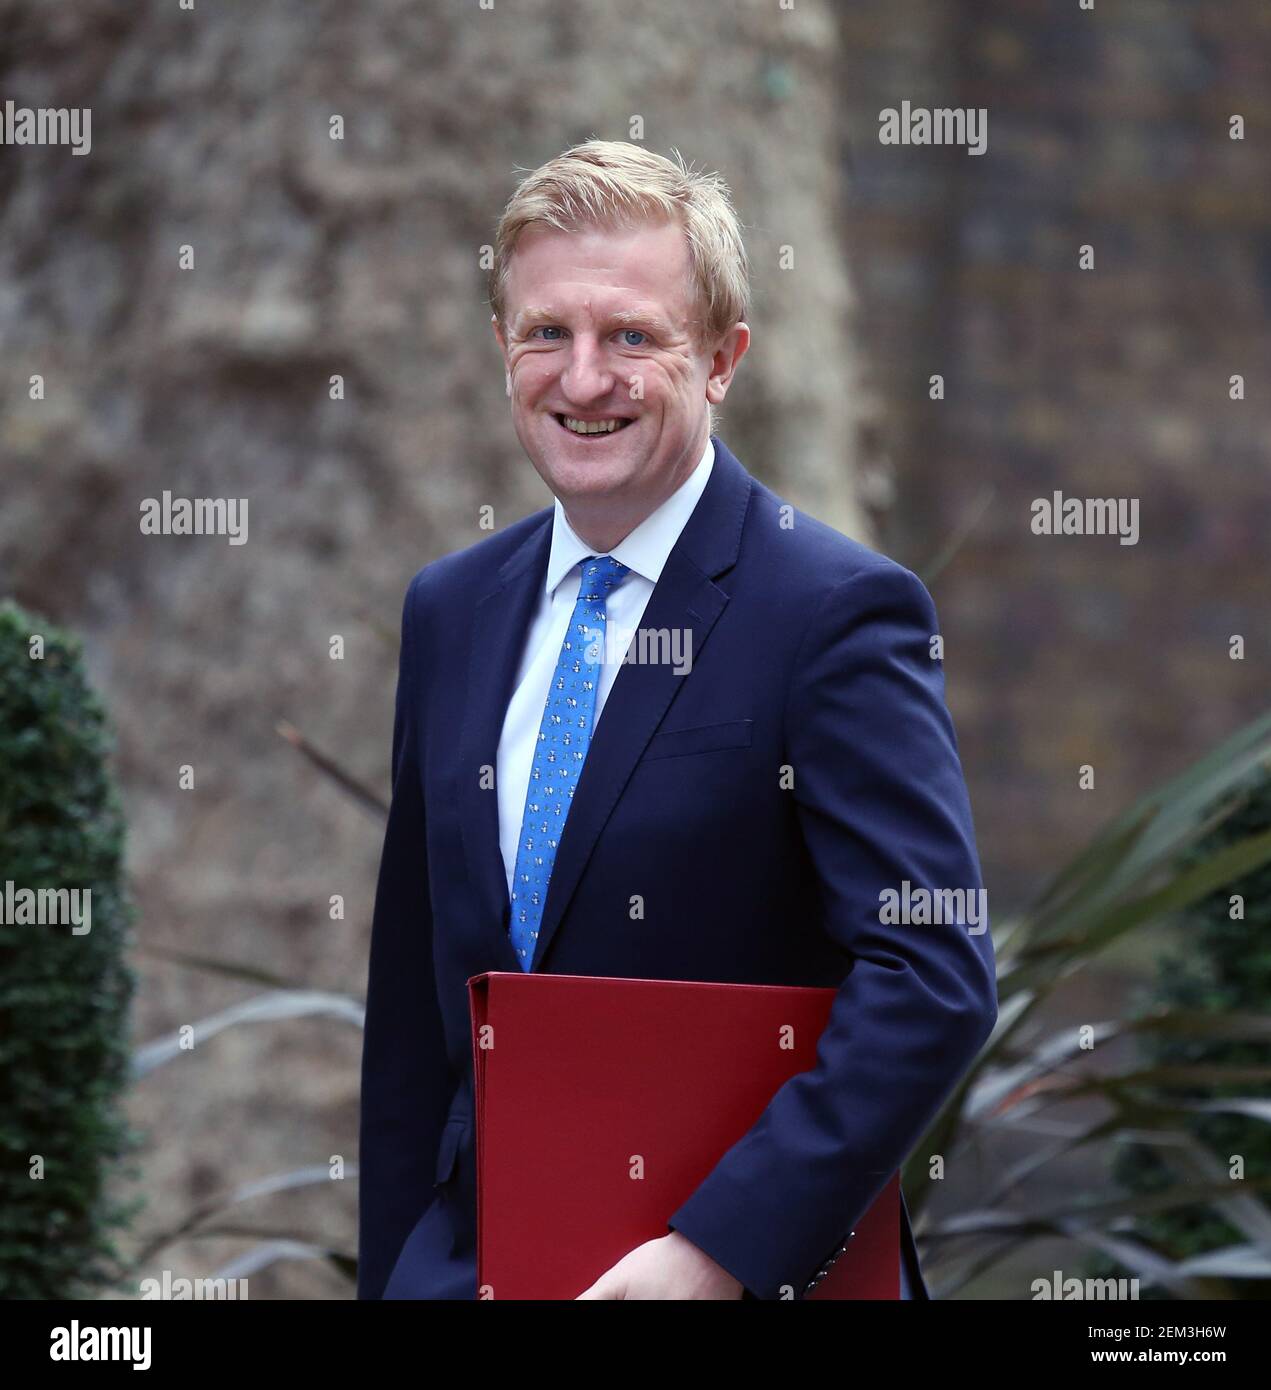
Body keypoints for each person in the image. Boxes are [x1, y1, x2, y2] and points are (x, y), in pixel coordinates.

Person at [357, 139, 997, 1301]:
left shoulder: (835, 611)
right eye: (546, 331)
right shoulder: (450, 610)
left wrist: (716, 1256)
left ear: (721, 360)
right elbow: (414, 1011)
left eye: (632, 337)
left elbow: (931, 971)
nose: (584, 377)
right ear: (503, 346)